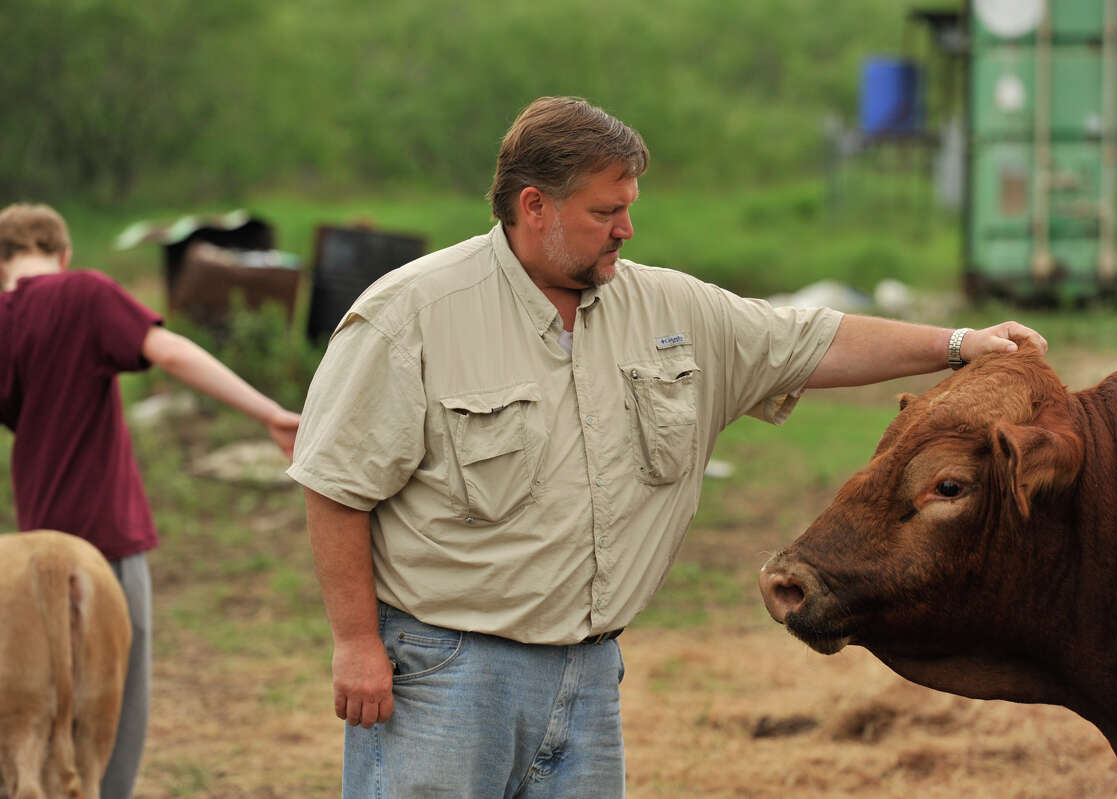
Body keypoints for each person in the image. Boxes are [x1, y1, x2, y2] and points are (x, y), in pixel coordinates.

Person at [287, 96, 1047, 798]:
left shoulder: (668, 307)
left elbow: (808, 339)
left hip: (588, 674)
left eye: (629, 209)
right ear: (533, 206)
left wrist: (958, 343)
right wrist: (357, 643)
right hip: (446, 675)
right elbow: (336, 485)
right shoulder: (410, 316)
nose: (626, 229)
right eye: (605, 211)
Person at [0, 202, 302, 799]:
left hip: (27, 554)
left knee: (24, 743)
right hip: (104, 543)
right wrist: (270, 412)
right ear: (63, 253)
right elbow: (171, 352)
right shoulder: (83, 292)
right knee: (110, 730)